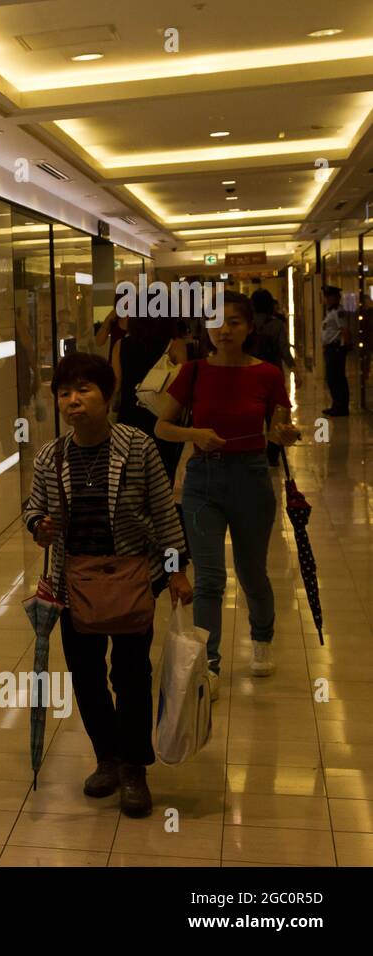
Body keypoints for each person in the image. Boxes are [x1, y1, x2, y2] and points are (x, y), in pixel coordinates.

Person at [24, 352, 192, 818]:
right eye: (64, 393)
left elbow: (163, 513)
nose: (73, 401)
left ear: (107, 394)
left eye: (83, 390)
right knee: (87, 677)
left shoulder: (137, 447)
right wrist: (39, 524)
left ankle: (135, 768)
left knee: (132, 674)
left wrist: (176, 570)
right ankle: (108, 759)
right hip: (72, 582)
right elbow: (32, 509)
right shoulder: (51, 455)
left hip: (134, 578)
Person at [155, 291, 301, 698]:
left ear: (249, 327)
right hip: (203, 479)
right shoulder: (194, 372)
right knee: (210, 579)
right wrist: (194, 434)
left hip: (252, 478)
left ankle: (262, 639)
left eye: (234, 322)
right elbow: (162, 427)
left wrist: (285, 433)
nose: (224, 330)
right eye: (216, 322)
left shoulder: (268, 374)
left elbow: (279, 426)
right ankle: (210, 664)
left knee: (252, 571)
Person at [112, 311, 186, 484]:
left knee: (131, 474)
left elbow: (116, 385)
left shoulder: (120, 345)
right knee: (162, 475)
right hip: (162, 417)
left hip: (129, 416)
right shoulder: (175, 344)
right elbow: (182, 384)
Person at [248, 289, 300, 465]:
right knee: (275, 416)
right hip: (273, 374)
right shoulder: (277, 324)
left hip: (250, 373)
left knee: (252, 414)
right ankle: (273, 455)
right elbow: (284, 350)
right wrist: (294, 369)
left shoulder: (248, 324)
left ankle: (253, 451)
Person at [320, 285, 352, 416]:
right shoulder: (330, 312)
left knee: (336, 378)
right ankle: (336, 404)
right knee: (332, 378)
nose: (327, 299)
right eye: (326, 296)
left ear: (336, 298)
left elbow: (344, 330)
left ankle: (341, 407)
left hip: (336, 349)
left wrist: (347, 346)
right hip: (330, 349)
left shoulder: (338, 312)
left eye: (329, 296)